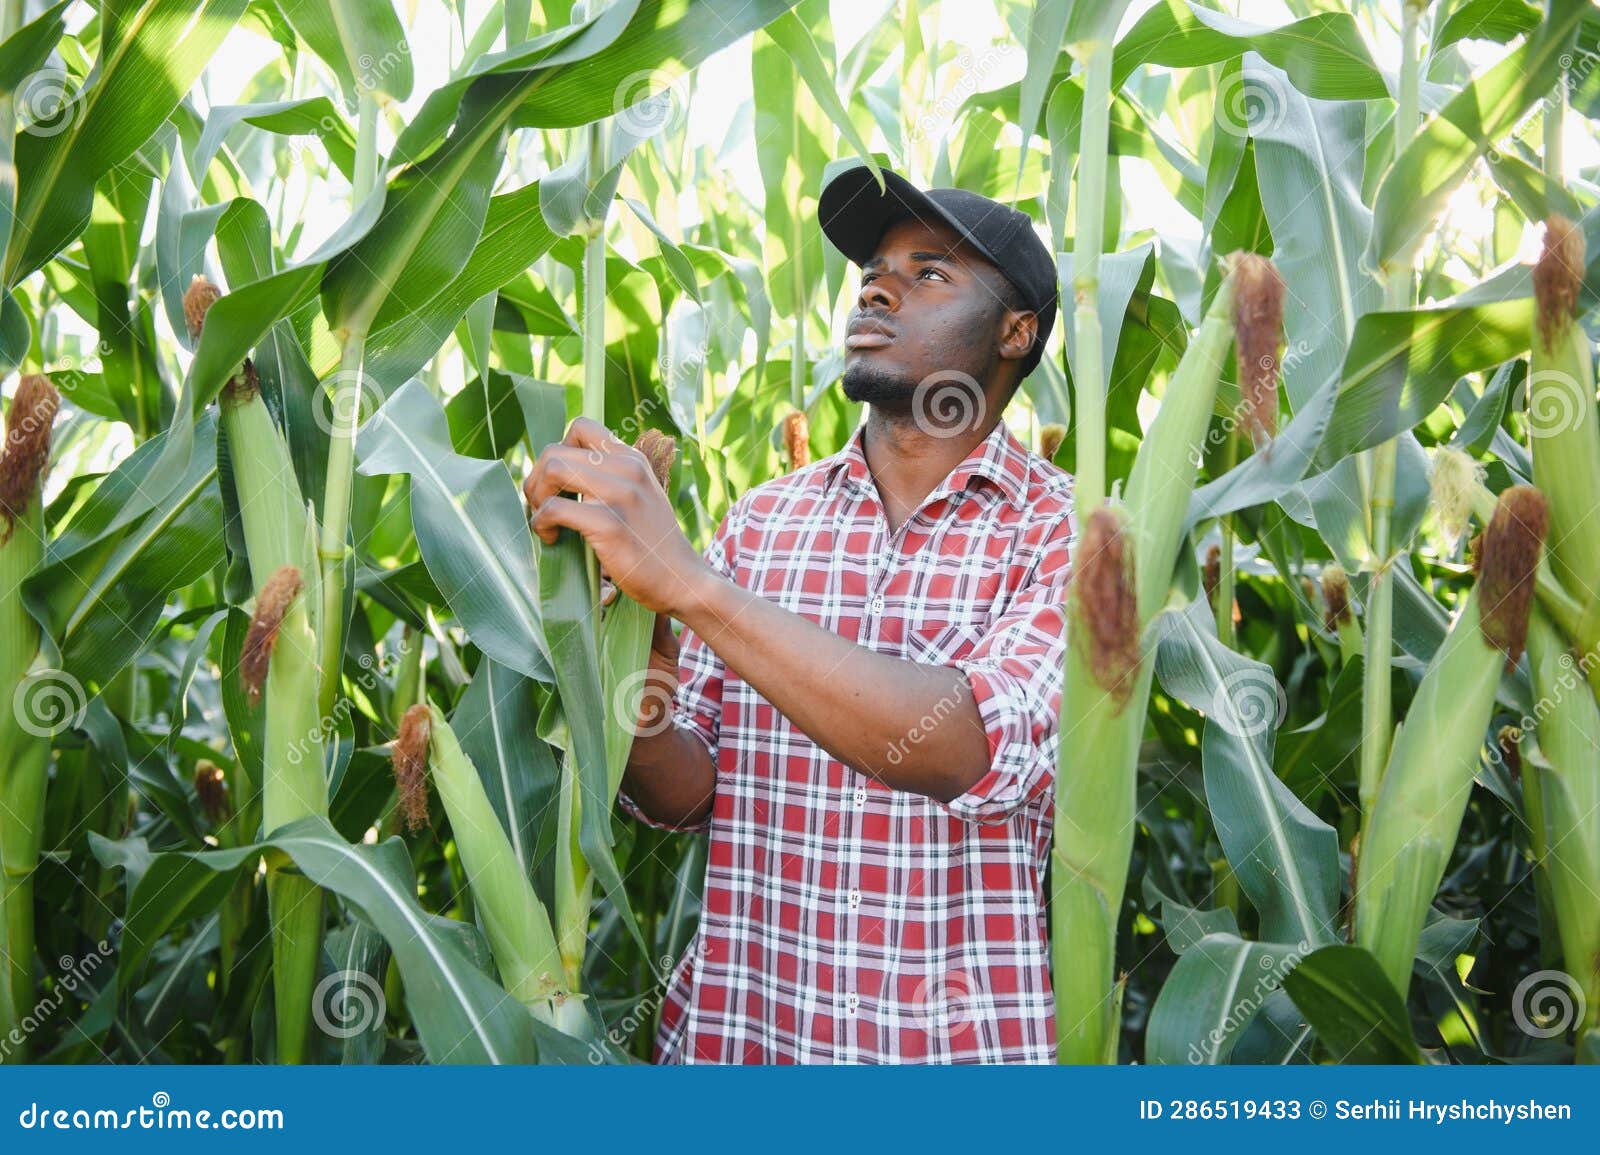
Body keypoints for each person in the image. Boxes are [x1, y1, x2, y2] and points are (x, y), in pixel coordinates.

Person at [523, 165, 1074, 1063]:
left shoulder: (1072, 535)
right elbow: (685, 791)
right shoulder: (763, 520)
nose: (879, 285)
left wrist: (695, 589)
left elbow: (965, 745)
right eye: (873, 271)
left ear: (1016, 330)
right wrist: (635, 658)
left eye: (929, 272)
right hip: (740, 1043)